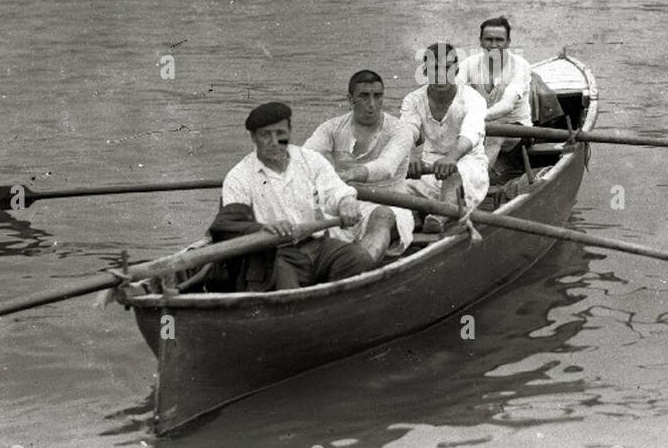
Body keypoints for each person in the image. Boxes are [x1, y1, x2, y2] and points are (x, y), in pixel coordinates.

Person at [209, 101, 373, 291]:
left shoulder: (310, 160)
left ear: (289, 132)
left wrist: (346, 202)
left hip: (318, 246)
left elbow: (336, 190)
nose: (274, 142)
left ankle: (334, 308)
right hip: (275, 255)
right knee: (285, 289)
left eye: (280, 134)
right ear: (253, 137)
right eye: (265, 135)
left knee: (359, 259)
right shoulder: (239, 177)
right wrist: (263, 228)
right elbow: (228, 225)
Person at [303, 69, 416, 262]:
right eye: (364, 96)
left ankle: (358, 267)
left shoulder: (400, 130)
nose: (372, 104)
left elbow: (386, 167)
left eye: (377, 96)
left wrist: (349, 175)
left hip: (390, 205)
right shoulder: (331, 128)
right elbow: (305, 158)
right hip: (344, 201)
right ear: (350, 99)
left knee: (382, 215)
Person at [399, 42, 490, 233]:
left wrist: (451, 158)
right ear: (425, 71)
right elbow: (408, 131)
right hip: (430, 164)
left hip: (468, 163)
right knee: (393, 179)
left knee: (453, 174)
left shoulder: (473, 99)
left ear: (456, 69)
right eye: (434, 68)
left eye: (447, 68)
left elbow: (470, 134)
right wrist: (411, 156)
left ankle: (439, 219)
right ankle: (411, 218)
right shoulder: (413, 100)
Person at [457, 15, 532, 169]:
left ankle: (479, 180)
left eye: (499, 40)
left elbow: (507, 105)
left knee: (495, 135)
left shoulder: (520, 66)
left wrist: (475, 117)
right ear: (481, 41)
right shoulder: (468, 64)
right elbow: (454, 95)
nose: (493, 45)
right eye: (488, 40)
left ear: (508, 43)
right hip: (481, 124)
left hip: (516, 128)